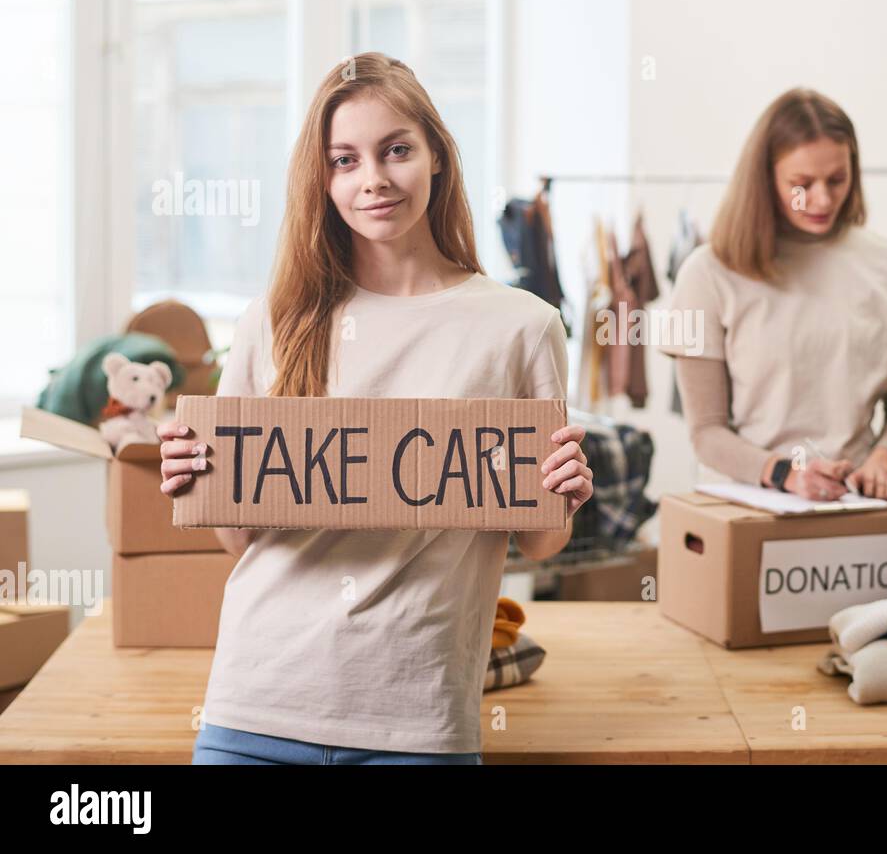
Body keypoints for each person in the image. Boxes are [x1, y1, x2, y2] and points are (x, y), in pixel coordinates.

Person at [157, 52, 593, 764]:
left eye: (397, 150)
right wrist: (199, 477)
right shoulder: (274, 319)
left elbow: (542, 543)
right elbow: (240, 539)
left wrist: (565, 490)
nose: (374, 179)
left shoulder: (522, 326)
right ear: (322, 179)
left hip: (417, 719)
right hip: (256, 703)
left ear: (437, 158)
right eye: (345, 160)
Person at [661, 88, 887, 501]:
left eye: (837, 179)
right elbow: (706, 432)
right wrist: (785, 474)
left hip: (856, 505)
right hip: (750, 507)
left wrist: (882, 460)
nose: (823, 199)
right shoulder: (707, 273)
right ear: (765, 178)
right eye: (802, 183)